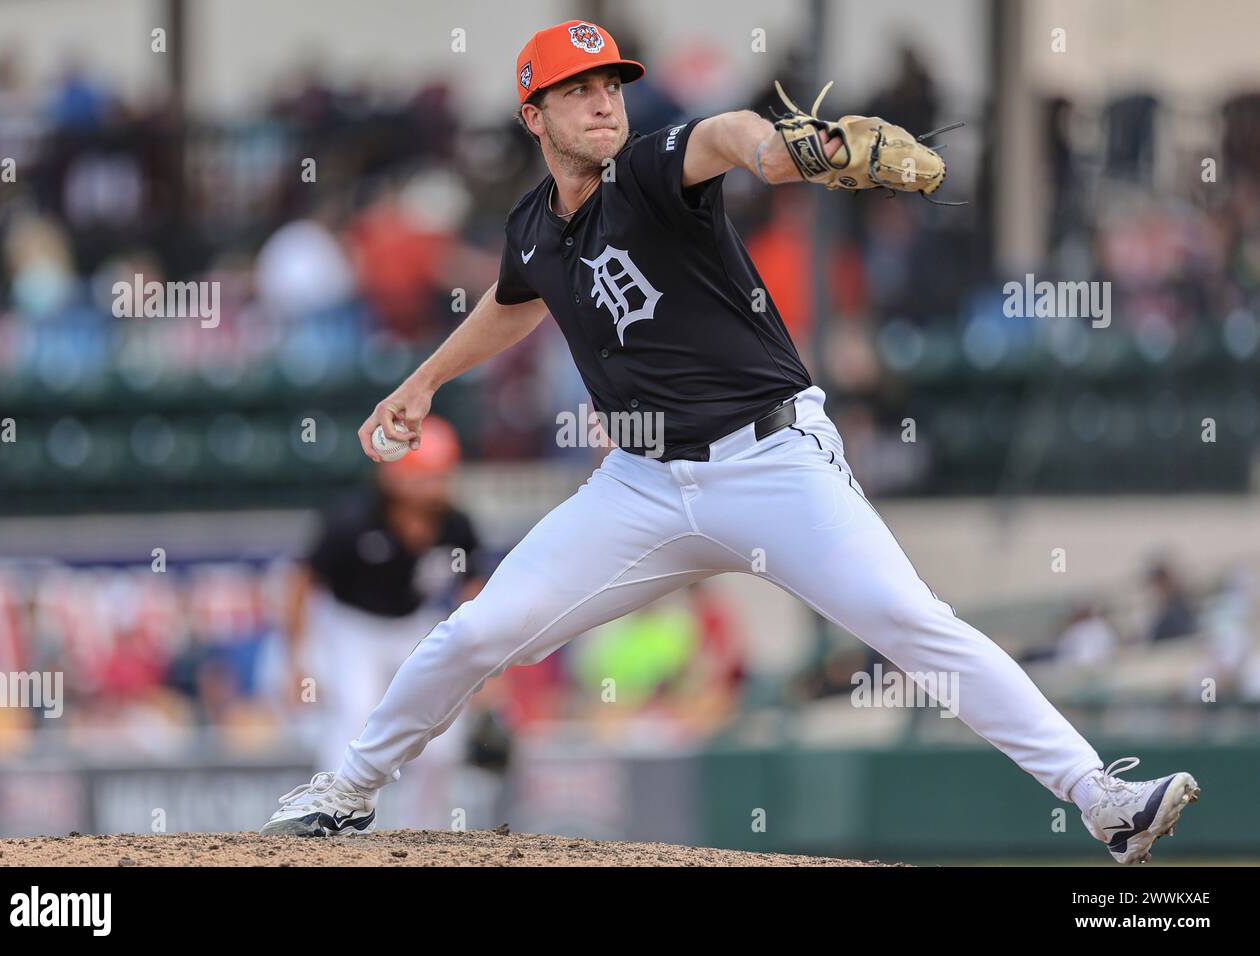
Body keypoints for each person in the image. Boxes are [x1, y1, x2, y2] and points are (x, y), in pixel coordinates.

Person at [261, 20, 1199, 864]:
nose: (602, 102)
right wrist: (424, 380)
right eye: (579, 91)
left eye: (611, 86)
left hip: (773, 462)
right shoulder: (533, 229)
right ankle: (347, 791)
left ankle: (1102, 799)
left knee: (916, 626)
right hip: (640, 488)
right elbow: (515, 303)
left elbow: (726, 138)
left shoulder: (652, 167)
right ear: (532, 112)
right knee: (477, 632)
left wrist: (790, 147)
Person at [281, 415, 484, 828]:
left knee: (444, 740)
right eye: (426, 476)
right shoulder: (353, 519)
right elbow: (302, 581)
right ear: (397, 476)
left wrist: (483, 667)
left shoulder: (455, 524)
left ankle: (424, 834)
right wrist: (297, 657)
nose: (436, 486)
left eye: (441, 475)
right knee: (355, 717)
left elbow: (474, 589)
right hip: (351, 626)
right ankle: (329, 825)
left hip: (414, 623)